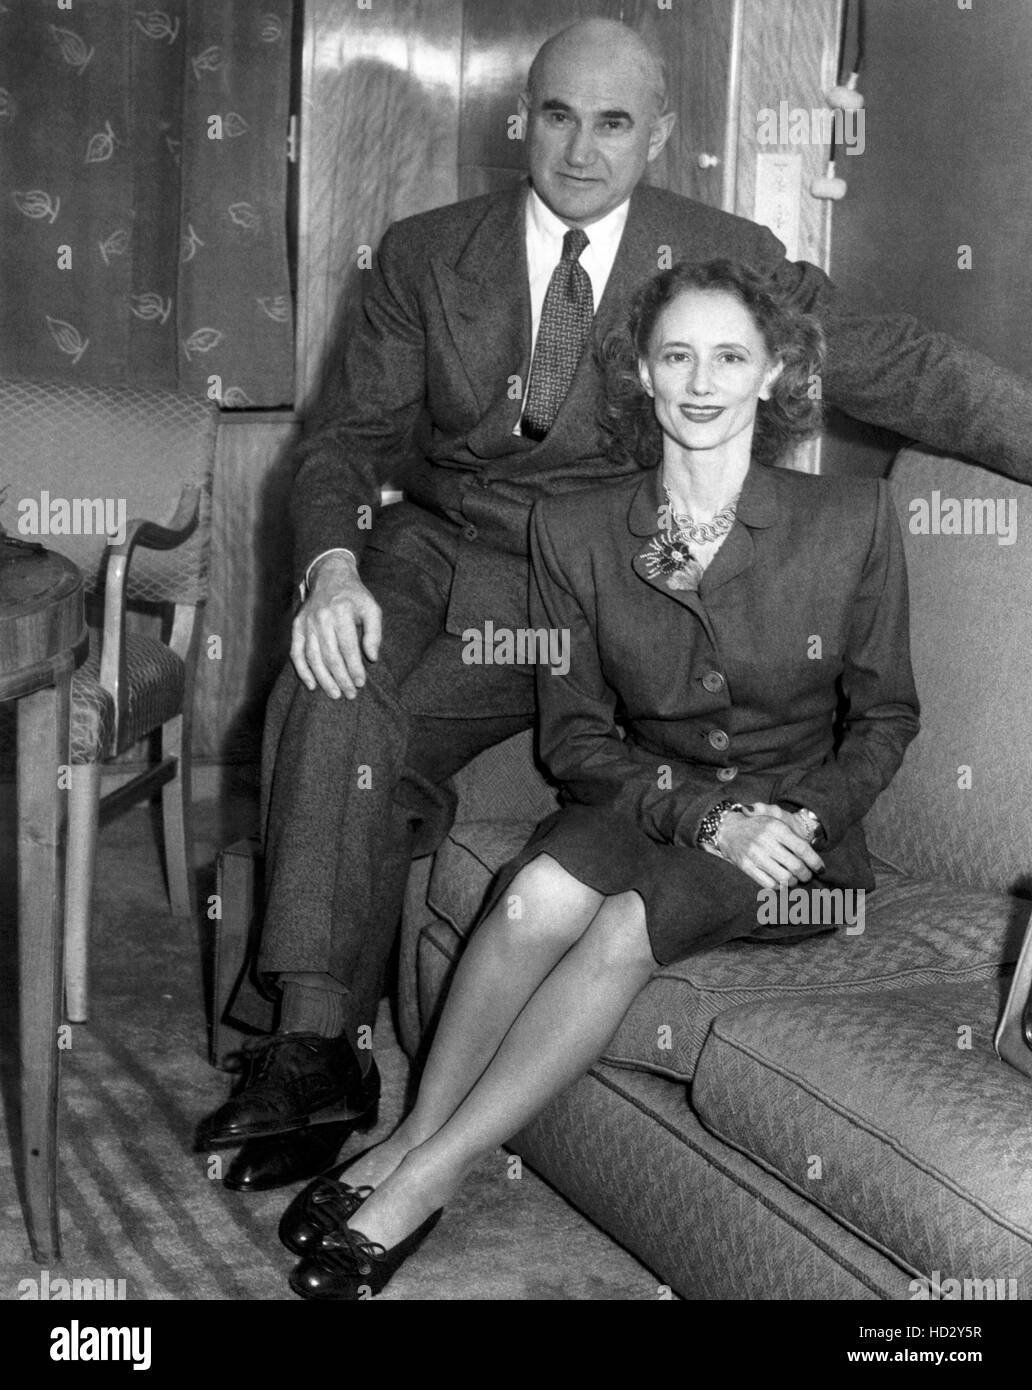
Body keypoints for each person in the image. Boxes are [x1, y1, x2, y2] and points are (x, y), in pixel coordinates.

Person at [199, 17, 1031, 1197]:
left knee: (393, 751)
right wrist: (334, 568)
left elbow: (897, 363)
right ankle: (317, 1046)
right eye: (556, 117)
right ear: (520, 118)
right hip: (451, 561)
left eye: (614, 123)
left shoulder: (722, 253)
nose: (580, 150)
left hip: (611, 588)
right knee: (335, 686)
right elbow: (345, 443)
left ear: (661, 136)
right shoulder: (428, 252)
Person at [275, 257, 920, 1299]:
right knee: (530, 894)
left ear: (774, 374)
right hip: (650, 795)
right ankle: (408, 1139)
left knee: (623, 923)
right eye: (677, 357)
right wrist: (698, 814)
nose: (701, 383)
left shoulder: (851, 520)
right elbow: (575, 739)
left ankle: (421, 1182)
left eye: (728, 357)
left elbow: (887, 717)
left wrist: (792, 820)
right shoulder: (573, 529)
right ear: (645, 378)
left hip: (794, 833)